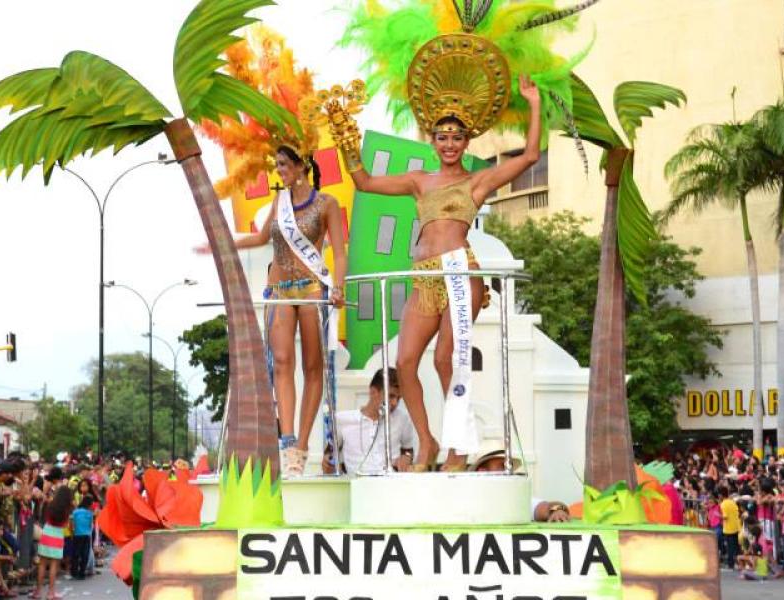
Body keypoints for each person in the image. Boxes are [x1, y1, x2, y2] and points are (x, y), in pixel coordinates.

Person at [341, 63, 542, 470]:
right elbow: (364, 182)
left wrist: (534, 104)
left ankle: (458, 448)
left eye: (457, 137)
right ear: (432, 141)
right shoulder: (419, 180)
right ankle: (428, 442)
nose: (449, 144)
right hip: (424, 276)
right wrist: (346, 139)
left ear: (467, 141)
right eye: (442, 137)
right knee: (406, 362)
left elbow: (532, 155)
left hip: (459, 272)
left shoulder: (477, 182)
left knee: (444, 359)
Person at [198, 144, 347, 478]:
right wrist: (222, 244)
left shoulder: (327, 204)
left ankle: (302, 447)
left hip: (311, 288)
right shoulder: (280, 203)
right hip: (278, 289)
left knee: (312, 365)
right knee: (281, 362)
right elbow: (262, 237)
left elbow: (338, 251)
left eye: (283, 164)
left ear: (302, 165)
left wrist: (338, 286)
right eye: (277, 165)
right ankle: (287, 439)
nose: (279, 171)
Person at [324, 368, 414, 474]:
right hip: (356, 484)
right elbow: (330, 452)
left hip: (391, 483)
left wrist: (406, 457)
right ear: (373, 392)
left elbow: (408, 450)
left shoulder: (402, 419)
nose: (395, 403)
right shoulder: (342, 419)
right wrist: (328, 462)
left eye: (398, 398)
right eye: (391, 396)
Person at [34, 486, 72, 600]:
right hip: (58, 535)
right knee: (54, 565)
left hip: (47, 532)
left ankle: (38, 592)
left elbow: (44, 516)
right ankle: (51, 593)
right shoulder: (67, 509)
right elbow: (65, 525)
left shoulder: (50, 504)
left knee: (42, 564)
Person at [68, 495, 94, 580]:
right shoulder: (90, 513)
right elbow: (90, 525)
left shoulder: (75, 512)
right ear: (89, 504)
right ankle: (82, 572)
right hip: (86, 536)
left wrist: (72, 532)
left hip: (77, 535)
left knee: (75, 554)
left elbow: (71, 524)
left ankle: (74, 571)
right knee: (84, 554)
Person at [717, 486, 740, 570]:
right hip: (736, 526)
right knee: (736, 547)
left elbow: (725, 517)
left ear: (720, 495)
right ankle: (739, 563)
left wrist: (718, 515)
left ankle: (731, 564)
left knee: (730, 547)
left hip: (729, 528)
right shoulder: (732, 502)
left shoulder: (723, 504)